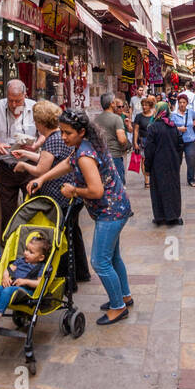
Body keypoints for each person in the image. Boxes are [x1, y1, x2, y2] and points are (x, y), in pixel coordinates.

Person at [27, 110, 134, 324]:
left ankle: (118, 307)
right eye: (62, 132)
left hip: (110, 212)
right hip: (117, 207)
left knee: (100, 261)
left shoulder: (85, 155)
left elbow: (96, 191)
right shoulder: (83, 145)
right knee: (113, 257)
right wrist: (44, 178)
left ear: (81, 131)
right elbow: (67, 163)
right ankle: (124, 296)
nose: (63, 137)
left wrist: (73, 190)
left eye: (67, 133)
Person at [13, 100, 89, 282]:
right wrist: (26, 154)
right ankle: (81, 272)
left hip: (60, 196)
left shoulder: (53, 139)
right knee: (73, 233)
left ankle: (67, 277)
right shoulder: (60, 137)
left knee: (63, 237)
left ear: (40, 122)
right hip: (70, 195)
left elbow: (42, 169)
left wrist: (24, 166)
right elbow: (49, 159)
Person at [0, 79, 41, 241]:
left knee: (32, 205)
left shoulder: (34, 107)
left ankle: (33, 248)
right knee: (7, 209)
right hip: (6, 166)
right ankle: (8, 247)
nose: (14, 104)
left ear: (25, 95)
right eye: (11, 100)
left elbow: (43, 134)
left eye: (18, 100)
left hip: (29, 166)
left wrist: (36, 145)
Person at [143, 101, 183, 225]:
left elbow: (149, 149)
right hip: (172, 163)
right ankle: (173, 216)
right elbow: (180, 145)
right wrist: (178, 161)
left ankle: (160, 217)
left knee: (158, 190)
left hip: (157, 164)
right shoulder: (173, 126)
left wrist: (147, 167)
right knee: (173, 189)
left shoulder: (153, 127)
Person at [94, 92, 131, 183]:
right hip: (115, 155)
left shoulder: (96, 119)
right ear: (111, 104)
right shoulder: (116, 118)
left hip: (101, 156)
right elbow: (122, 140)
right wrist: (127, 145)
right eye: (114, 102)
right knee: (118, 184)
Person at [169, 94, 195, 187]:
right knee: (177, 162)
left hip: (189, 140)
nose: (182, 104)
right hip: (178, 141)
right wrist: (178, 129)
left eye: (184, 102)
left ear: (187, 103)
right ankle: (175, 180)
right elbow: (169, 128)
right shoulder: (173, 115)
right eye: (180, 102)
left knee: (191, 160)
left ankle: (191, 179)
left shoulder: (191, 112)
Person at [132, 97, 155, 188]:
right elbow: (136, 130)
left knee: (153, 160)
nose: (144, 107)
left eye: (146, 105)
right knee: (144, 160)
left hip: (153, 141)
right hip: (143, 141)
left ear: (150, 106)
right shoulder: (139, 116)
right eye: (143, 105)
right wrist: (135, 143)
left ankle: (153, 177)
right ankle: (146, 180)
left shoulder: (154, 116)